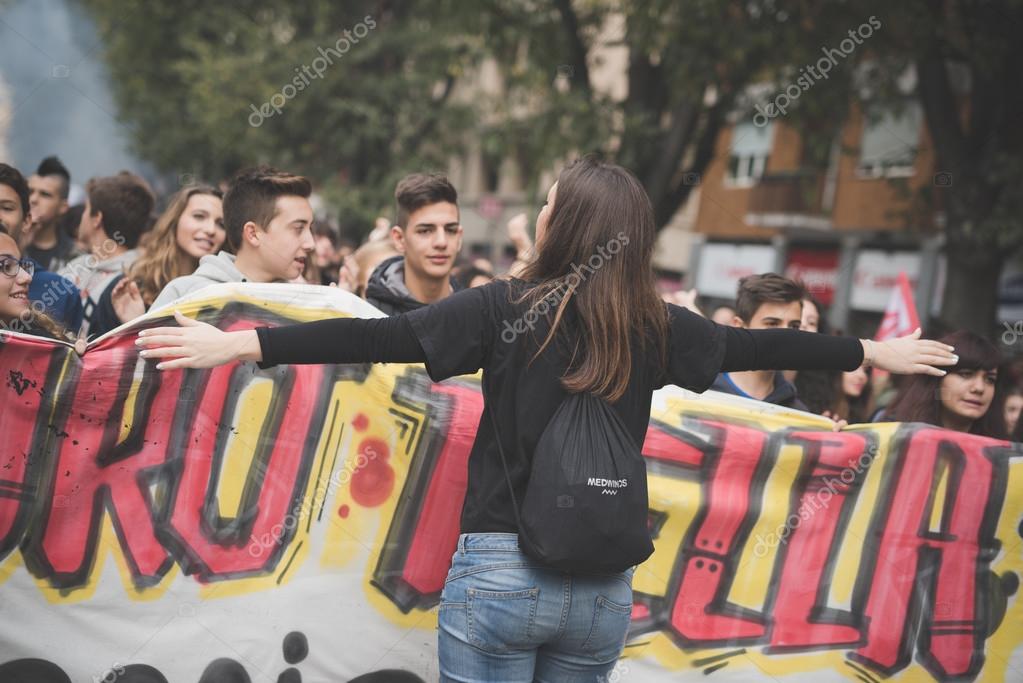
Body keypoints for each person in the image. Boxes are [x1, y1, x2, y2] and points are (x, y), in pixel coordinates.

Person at [136, 156, 956, 681]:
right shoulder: (656, 322)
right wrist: (868, 356)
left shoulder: (503, 306)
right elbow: (754, 342)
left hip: (502, 568)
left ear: (566, 226)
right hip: (601, 588)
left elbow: (378, 337)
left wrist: (242, 346)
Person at [150, 167, 313, 309]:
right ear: (253, 234)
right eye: (298, 229)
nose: (310, 244)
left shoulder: (307, 303)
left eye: (220, 223)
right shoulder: (183, 294)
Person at [109, 186, 226, 324]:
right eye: (199, 216)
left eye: (221, 224)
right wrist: (134, 324)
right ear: (175, 221)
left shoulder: (226, 291)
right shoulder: (129, 287)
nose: (211, 230)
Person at [59, 171, 155, 338]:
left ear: (96, 218)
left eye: (86, 210)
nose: (82, 217)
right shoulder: (78, 266)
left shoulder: (135, 282)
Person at [0, 163, 83, 333]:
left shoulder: (59, 291)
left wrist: (74, 355)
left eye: (6, 208)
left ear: (26, 221)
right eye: (4, 267)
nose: (24, 279)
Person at [365, 173, 463, 315]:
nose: (441, 242)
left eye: (450, 230)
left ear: (459, 237)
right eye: (425, 231)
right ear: (399, 239)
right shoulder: (370, 318)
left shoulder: (474, 317)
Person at [882, 329, 1005, 438]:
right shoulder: (892, 437)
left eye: (990, 379)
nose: (979, 388)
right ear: (936, 380)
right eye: (966, 374)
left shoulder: (1005, 454)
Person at [710, 273, 808, 409]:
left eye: (794, 326)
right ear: (739, 326)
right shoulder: (699, 391)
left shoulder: (797, 411)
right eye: (772, 323)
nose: (786, 335)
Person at [0, 225, 71, 339]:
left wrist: (74, 355)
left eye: (21, 265)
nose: (27, 277)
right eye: (6, 266)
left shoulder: (50, 349)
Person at [27, 156, 79, 272]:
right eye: (29, 192)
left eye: (45, 194)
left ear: (63, 207)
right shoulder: (7, 243)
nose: (33, 199)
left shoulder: (74, 257)